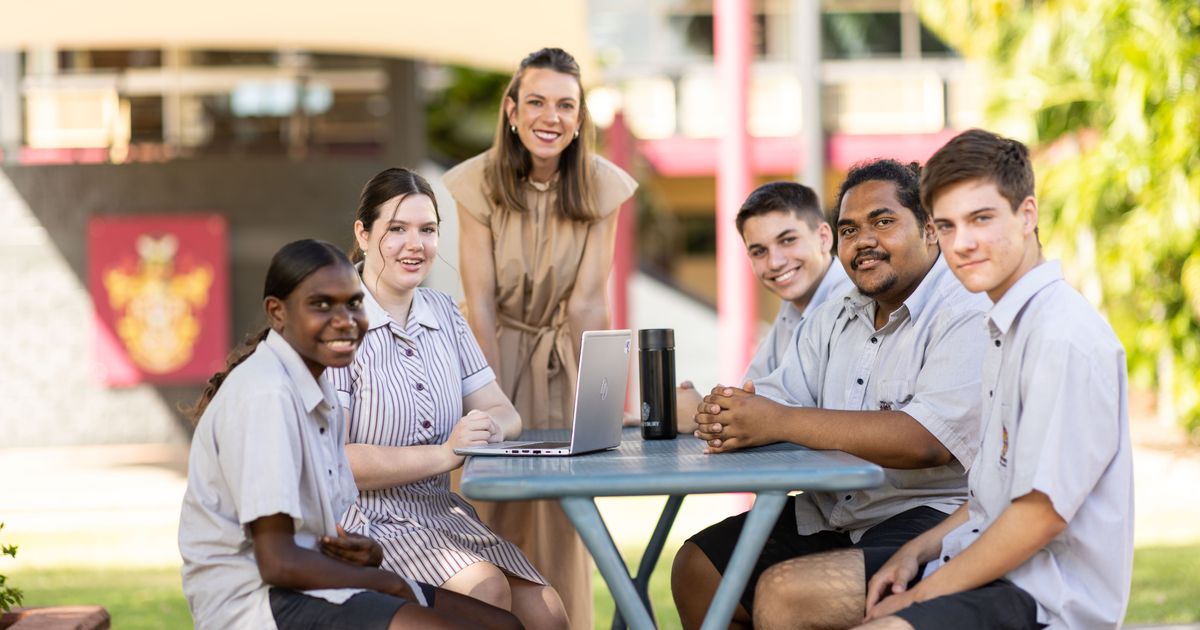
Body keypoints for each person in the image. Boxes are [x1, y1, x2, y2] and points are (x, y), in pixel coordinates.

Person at [756, 129, 1133, 630]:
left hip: (1043, 596)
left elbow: (1039, 514)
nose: (964, 243)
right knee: (775, 590)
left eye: (981, 219)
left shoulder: (1060, 336)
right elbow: (991, 499)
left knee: (864, 618)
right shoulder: (1006, 325)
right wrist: (915, 554)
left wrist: (921, 594)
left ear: (1027, 214)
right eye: (949, 225)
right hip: (983, 561)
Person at [671, 159, 991, 630]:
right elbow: (768, 397)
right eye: (849, 229)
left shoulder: (966, 311)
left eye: (882, 222)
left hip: (932, 516)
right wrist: (727, 411)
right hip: (836, 511)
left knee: (787, 594)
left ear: (929, 230)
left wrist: (775, 420)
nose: (863, 241)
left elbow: (924, 440)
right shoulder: (833, 316)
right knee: (699, 568)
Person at [179, 239, 519, 630]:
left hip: (314, 582)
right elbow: (276, 560)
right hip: (256, 601)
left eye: (353, 303)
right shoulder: (266, 394)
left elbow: (318, 516)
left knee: (502, 624)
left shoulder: (317, 384)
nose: (344, 319)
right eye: (321, 305)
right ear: (277, 313)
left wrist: (366, 553)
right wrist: (387, 581)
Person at [443, 46, 637, 627]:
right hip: (490, 354)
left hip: (563, 362)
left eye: (564, 105)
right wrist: (488, 399)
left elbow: (586, 300)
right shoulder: (476, 183)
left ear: (579, 120)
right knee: (483, 509)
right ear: (511, 110)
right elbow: (480, 301)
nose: (549, 117)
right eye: (535, 102)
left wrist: (607, 400)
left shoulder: (603, 187)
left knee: (560, 521)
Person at [327, 168, 568, 630]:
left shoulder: (443, 312)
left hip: (443, 514)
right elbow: (334, 459)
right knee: (487, 589)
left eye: (427, 230)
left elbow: (504, 412)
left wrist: (487, 427)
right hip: (365, 524)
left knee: (547, 613)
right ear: (363, 232)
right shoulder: (338, 325)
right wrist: (446, 451)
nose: (414, 244)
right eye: (396, 229)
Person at [675, 181, 852, 432]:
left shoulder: (851, 302)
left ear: (824, 238)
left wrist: (699, 413)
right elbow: (753, 395)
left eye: (788, 240)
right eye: (759, 251)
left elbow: (788, 414)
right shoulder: (791, 309)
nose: (775, 262)